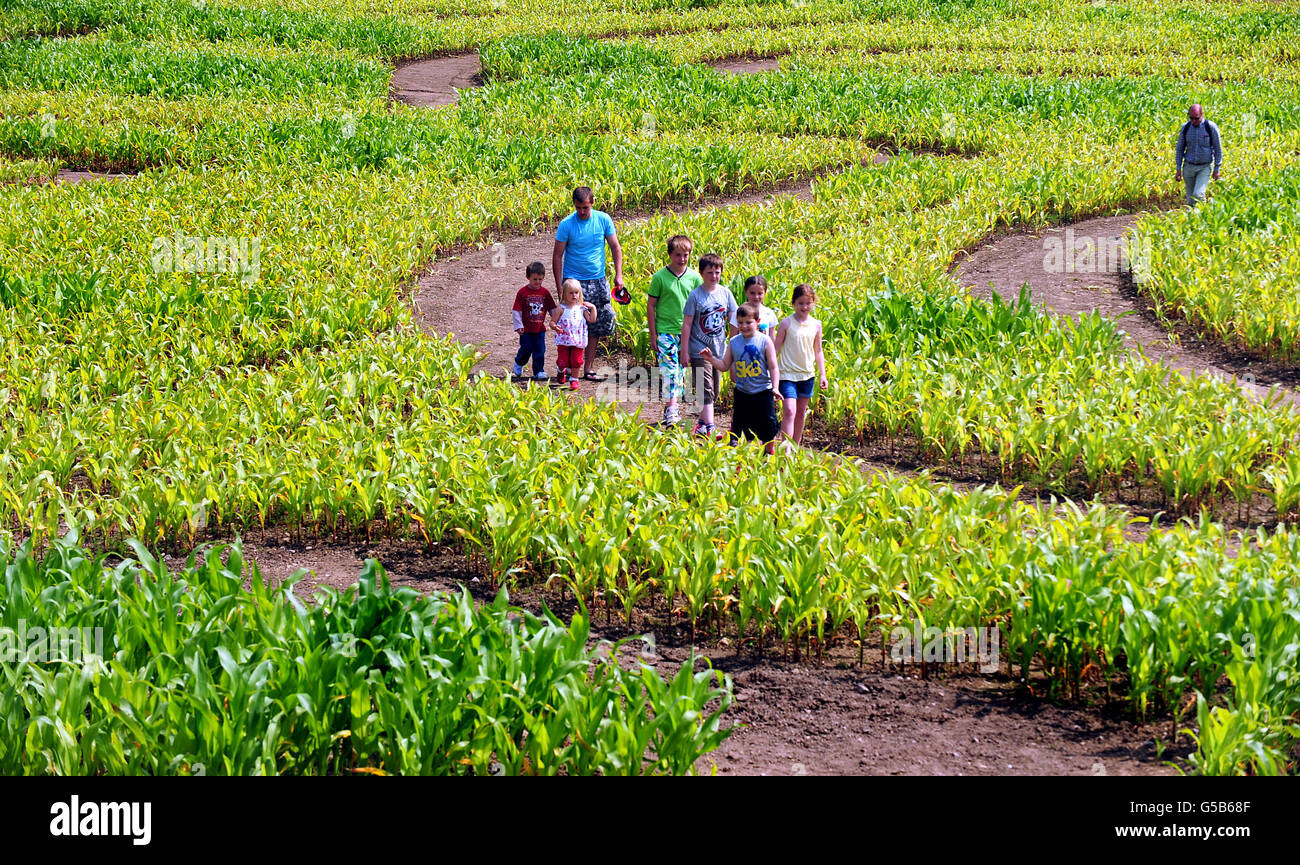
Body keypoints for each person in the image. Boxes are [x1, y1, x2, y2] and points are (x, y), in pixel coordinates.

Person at [552, 186, 624, 381]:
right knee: (569, 323)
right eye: (578, 208)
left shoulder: (603, 220)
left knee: (595, 323)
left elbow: (615, 247)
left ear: (592, 203)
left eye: (585, 207)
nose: (582, 212)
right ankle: (568, 367)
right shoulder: (567, 224)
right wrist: (560, 287)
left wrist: (619, 275)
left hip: (597, 279)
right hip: (573, 280)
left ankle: (587, 368)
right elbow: (557, 256)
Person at [699, 302, 781, 451]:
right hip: (743, 392)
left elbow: (774, 367)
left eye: (748, 322)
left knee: (768, 426)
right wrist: (710, 359)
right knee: (743, 425)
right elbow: (724, 365)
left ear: (757, 322)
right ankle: (745, 456)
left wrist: (775, 387)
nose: (743, 326)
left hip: (763, 391)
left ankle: (768, 455)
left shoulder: (765, 341)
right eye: (740, 323)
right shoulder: (734, 342)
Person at [647, 234, 702, 427]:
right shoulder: (660, 277)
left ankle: (671, 407)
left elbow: (699, 307)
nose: (682, 259)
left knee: (682, 370)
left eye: (686, 255)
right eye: (678, 254)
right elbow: (651, 306)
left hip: (688, 333)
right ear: (670, 254)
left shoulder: (695, 278)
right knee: (670, 370)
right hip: (666, 332)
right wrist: (653, 335)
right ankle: (672, 409)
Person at [681, 252, 738, 438]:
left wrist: (734, 343)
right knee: (706, 389)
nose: (714, 276)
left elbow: (733, 319)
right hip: (699, 349)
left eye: (717, 272)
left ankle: (701, 424)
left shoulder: (725, 293)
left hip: (719, 351)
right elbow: (688, 323)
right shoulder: (695, 296)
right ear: (702, 273)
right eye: (709, 272)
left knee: (715, 391)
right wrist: (684, 351)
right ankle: (711, 428)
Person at [774, 284, 827, 449]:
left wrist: (823, 375)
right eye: (800, 303)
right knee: (789, 410)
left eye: (808, 303)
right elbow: (775, 349)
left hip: (807, 375)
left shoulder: (816, 325)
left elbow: (818, 351)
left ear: (813, 303)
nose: (804, 307)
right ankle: (786, 448)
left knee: (800, 413)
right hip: (787, 374)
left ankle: (795, 446)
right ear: (793, 303)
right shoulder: (786, 323)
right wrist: (770, 374)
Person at [547, 279, 597, 390]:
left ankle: (574, 379)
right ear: (564, 294)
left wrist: (593, 308)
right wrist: (555, 327)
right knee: (562, 360)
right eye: (570, 293)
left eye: (576, 293)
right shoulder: (561, 309)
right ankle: (561, 370)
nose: (574, 295)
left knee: (577, 360)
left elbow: (591, 319)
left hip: (578, 339)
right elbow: (552, 322)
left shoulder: (581, 308)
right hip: (564, 339)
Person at [511, 261, 556, 381]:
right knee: (526, 349)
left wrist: (556, 320)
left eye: (540, 279)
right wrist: (518, 325)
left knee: (540, 350)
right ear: (528, 277)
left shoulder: (545, 293)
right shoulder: (523, 292)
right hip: (525, 330)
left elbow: (552, 308)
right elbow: (516, 310)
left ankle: (539, 371)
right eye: (535, 279)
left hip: (539, 329)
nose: (537, 282)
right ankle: (519, 362)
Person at [1174, 103, 1223, 207]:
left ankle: (1206, 215)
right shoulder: (1186, 127)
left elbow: (1218, 149)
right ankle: (1194, 221)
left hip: (1204, 167)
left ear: (1202, 114)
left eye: (1196, 118)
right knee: (1190, 200)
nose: (1193, 121)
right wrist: (1178, 168)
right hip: (1189, 167)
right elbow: (1180, 148)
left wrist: (1217, 168)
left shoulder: (1210, 127)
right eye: (1191, 118)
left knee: (1198, 195)